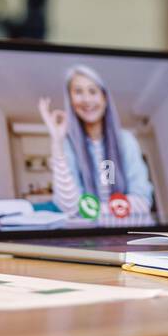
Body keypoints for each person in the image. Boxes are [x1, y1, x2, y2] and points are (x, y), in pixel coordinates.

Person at [38, 64, 154, 227]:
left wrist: (89, 215)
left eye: (92, 91)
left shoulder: (126, 140)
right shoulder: (68, 145)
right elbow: (69, 208)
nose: (86, 99)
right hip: (91, 238)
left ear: (104, 98)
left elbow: (142, 203)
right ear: (71, 101)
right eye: (78, 92)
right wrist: (57, 142)